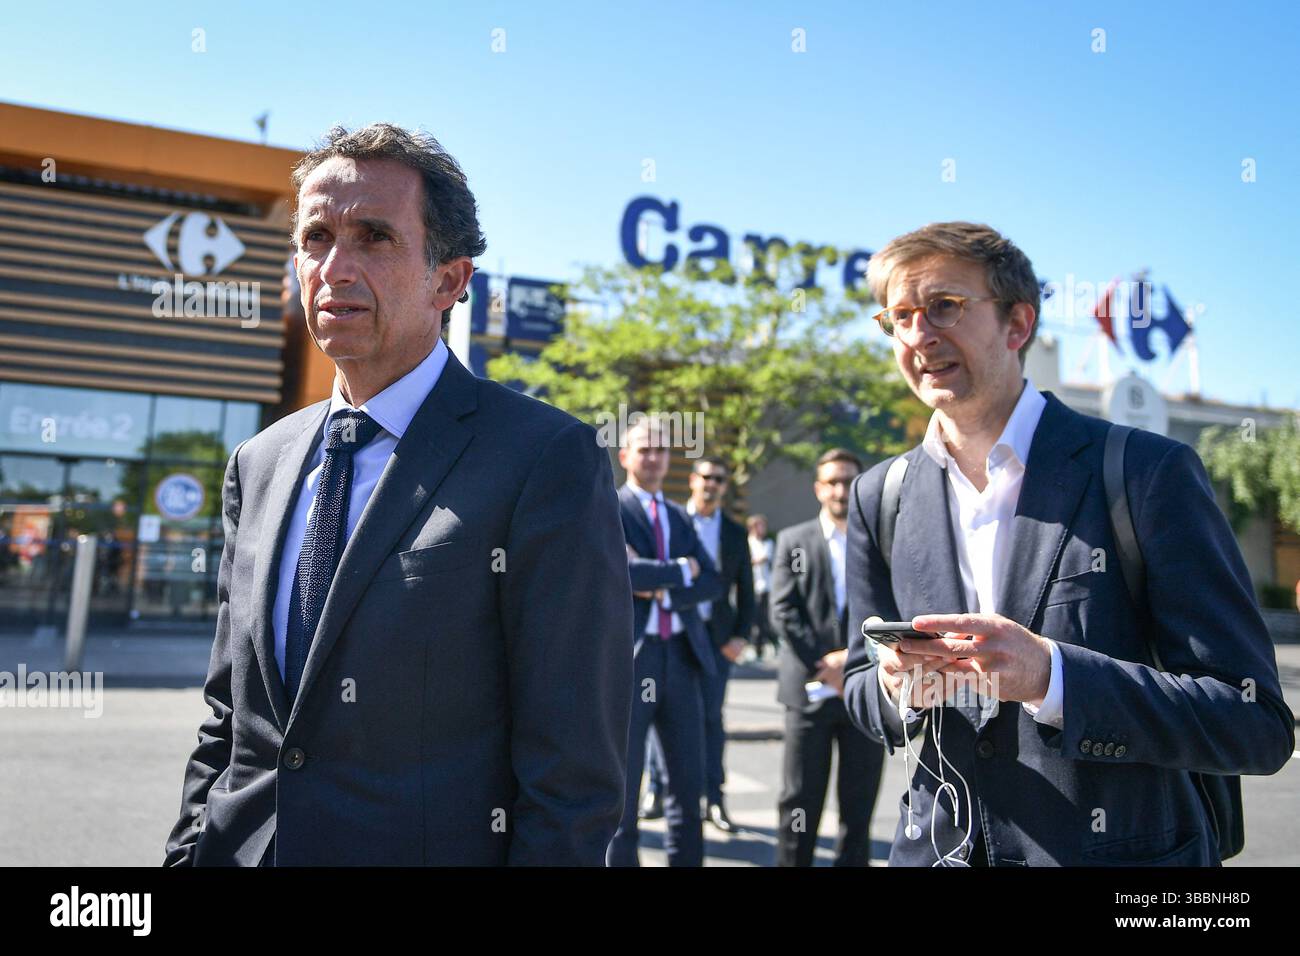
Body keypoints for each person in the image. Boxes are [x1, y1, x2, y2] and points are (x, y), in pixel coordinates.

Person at [163, 123, 633, 867]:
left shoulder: (543, 459)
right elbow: (230, 715)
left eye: (374, 237)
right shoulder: (259, 462)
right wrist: (188, 852)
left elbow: (572, 771)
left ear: (448, 280)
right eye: (316, 238)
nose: (334, 268)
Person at [842, 221, 1295, 866]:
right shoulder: (879, 495)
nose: (919, 335)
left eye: (944, 306)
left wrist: (1051, 676)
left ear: (1017, 324)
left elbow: (1253, 723)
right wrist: (895, 686)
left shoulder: (1145, 472)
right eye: (901, 317)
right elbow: (859, 683)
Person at [608, 418, 722, 866]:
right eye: (644, 450)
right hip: (631, 661)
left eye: (661, 450)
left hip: (681, 658)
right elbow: (621, 573)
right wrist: (678, 569)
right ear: (625, 457)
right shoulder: (609, 508)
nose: (654, 457)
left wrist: (661, 586)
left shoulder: (677, 515)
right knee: (624, 788)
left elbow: (711, 579)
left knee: (686, 787)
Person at [770, 449, 885, 866]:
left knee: (859, 805)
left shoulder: (879, 541)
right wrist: (826, 664)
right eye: (832, 482)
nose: (840, 490)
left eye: (848, 481)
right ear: (819, 489)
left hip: (864, 690)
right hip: (808, 691)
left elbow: (890, 609)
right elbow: (783, 611)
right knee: (799, 801)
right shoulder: (793, 541)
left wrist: (849, 660)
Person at [641, 457, 755, 833]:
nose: (711, 484)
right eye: (706, 477)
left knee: (710, 718)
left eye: (719, 479)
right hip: (672, 633)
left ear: (725, 486)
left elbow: (745, 591)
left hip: (715, 639)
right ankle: (656, 791)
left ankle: (714, 798)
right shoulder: (672, 520)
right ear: (692, 480)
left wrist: (740, 637)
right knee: (659, 714)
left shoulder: (734, 533)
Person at [747, 514, 776, 660]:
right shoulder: (747, 543)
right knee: (753, 619)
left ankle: (763, 647)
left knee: (763, 619)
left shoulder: (768, 543)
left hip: (765, 587)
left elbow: (763, 558)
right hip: (750, 587)